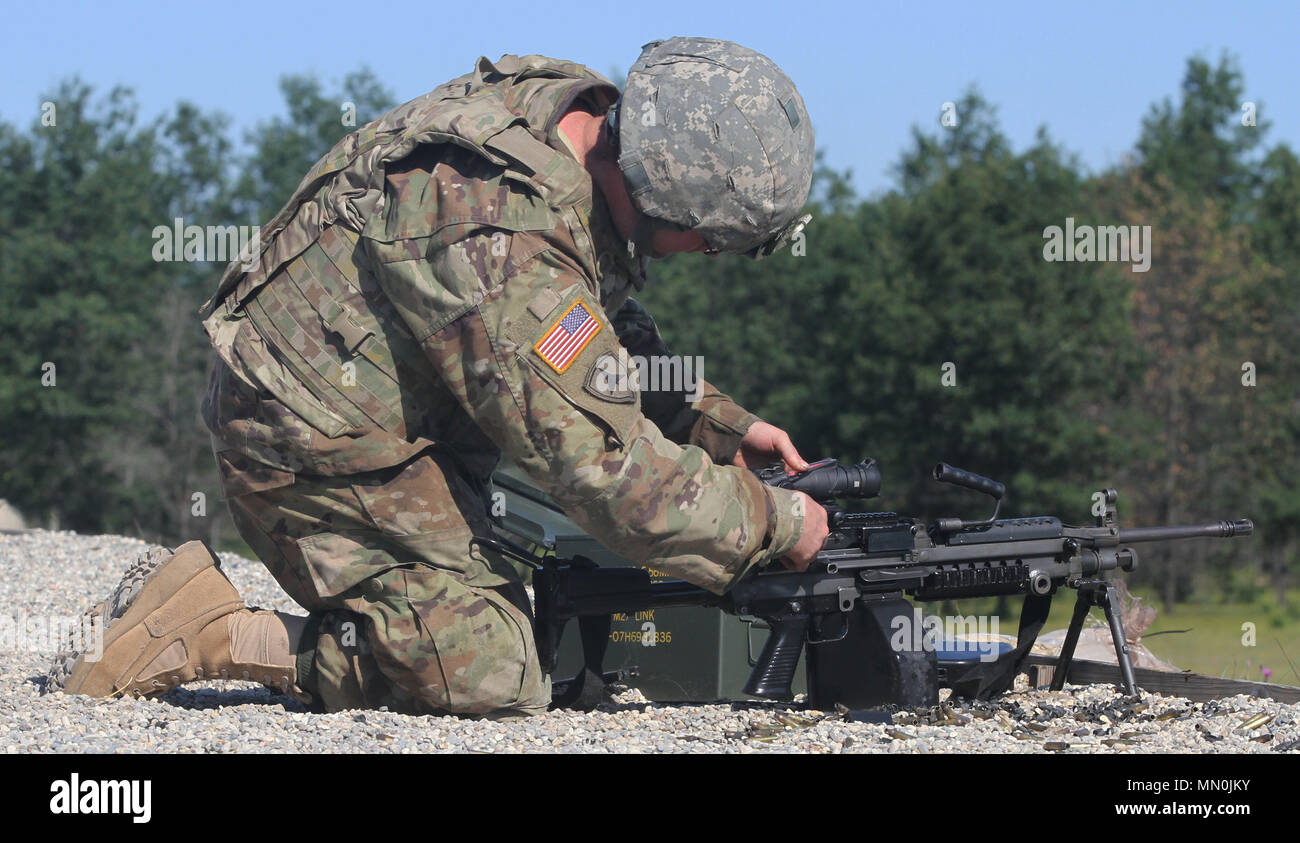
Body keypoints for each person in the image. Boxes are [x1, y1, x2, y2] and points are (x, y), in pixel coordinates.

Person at [52, 37, 828, 718]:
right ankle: (211, 630)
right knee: (493, 671)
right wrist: (777, 523)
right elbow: (605, 470)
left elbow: (587, 328)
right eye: (713, 240)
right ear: (669, 199)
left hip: (363, 407)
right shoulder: (500, 227)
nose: (707, 254)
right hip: (307, 446)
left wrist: (711, 425)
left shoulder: (572, 119)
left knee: (512, 619)